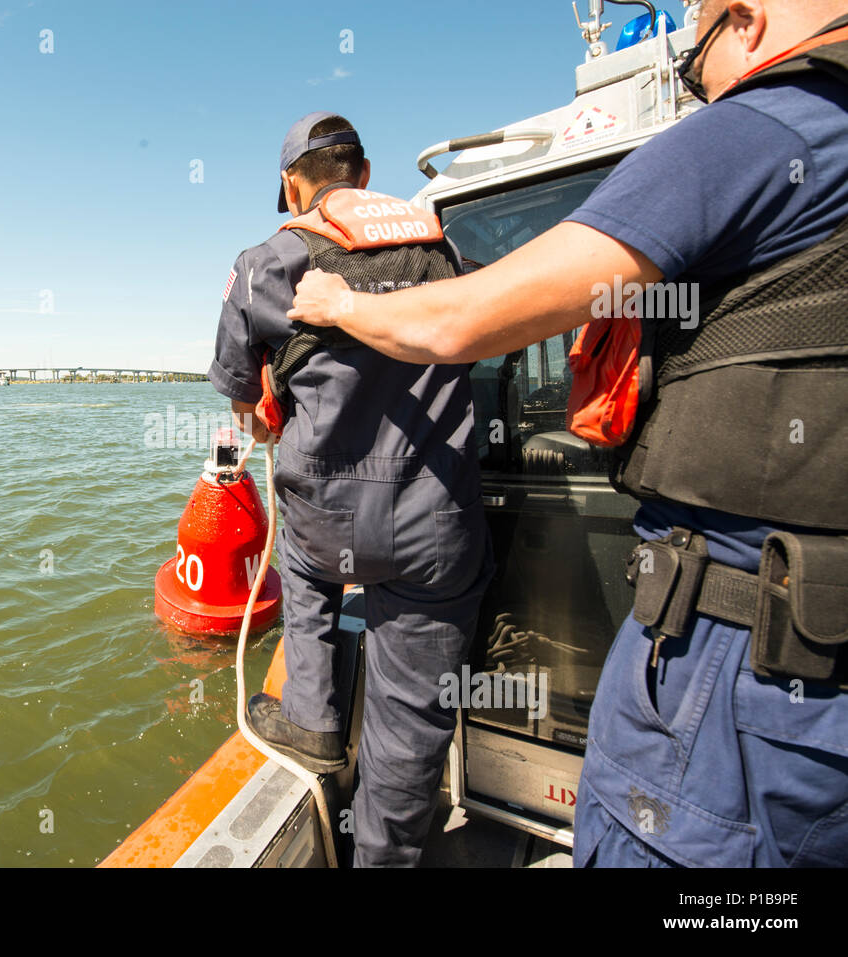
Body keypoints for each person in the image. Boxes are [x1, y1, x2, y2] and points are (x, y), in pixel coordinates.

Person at [287, 0, 848, 867]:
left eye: (700, 64)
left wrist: (341, 304)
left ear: (746, 19)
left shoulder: (756, 131)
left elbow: (468, 321)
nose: (709, 96)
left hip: (731, 663)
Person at [208, 111, 493, 867]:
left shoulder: (267, 261)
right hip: (439, 521)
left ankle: (314, 721)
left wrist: (275, 407)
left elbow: (245, 402)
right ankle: (385, 855)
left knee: (301, 569)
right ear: (363, 175)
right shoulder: (442, 246)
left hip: (328, 524)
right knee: (410, 724)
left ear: (293, 185)